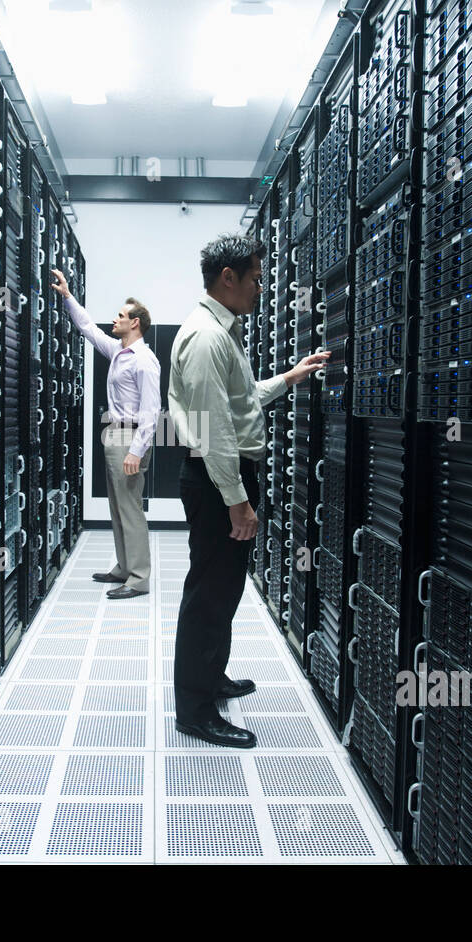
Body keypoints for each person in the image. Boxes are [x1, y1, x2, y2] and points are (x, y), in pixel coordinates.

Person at [166, 234, 330, 747]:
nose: (261, 288)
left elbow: (241, 401)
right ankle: (193, 710)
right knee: (208, 596)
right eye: (256, 278)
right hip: (220, 480)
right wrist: (238, 502)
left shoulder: (221, 332)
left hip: (226, 476)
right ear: (228, 278)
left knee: (225, 590)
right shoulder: (207, 338)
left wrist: (290, 377)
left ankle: (211, 677)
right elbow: (213, 430)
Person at [50, 268, 160, 599]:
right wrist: (68, 297)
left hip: (129, 438)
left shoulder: (144, 360)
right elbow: (86, 328)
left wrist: (136, 451)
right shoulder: (118, 351)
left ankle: (138, 578)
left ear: (135, 323)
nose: (115, 319)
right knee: (118, 506)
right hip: (114, 434)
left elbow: (152, 412)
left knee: (130, 508)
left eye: (121, 315)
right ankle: (124, 567)